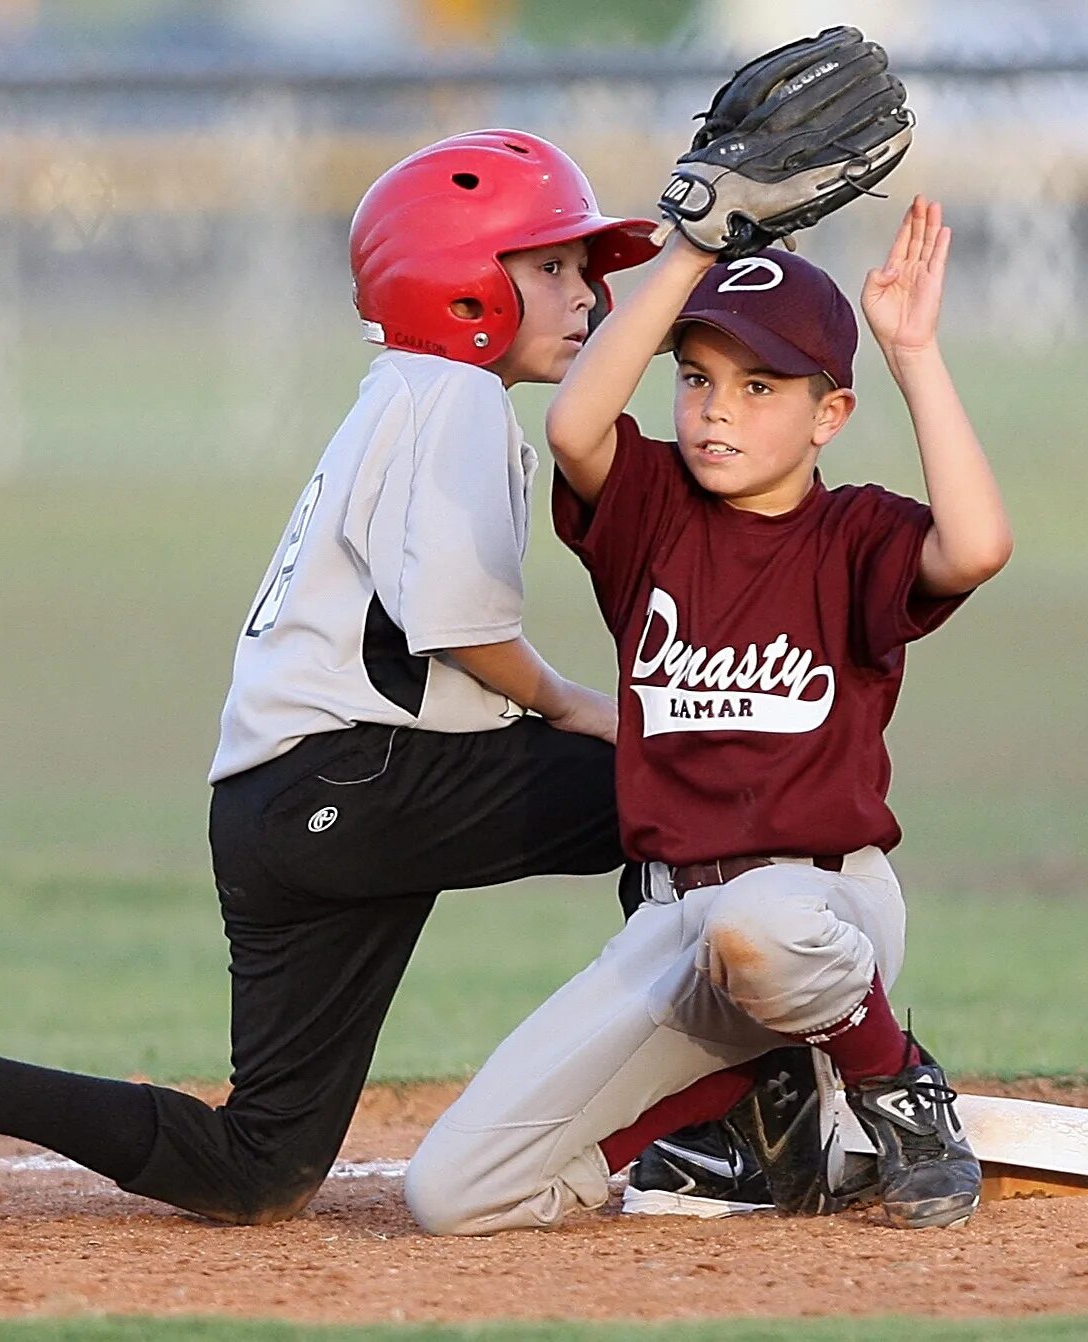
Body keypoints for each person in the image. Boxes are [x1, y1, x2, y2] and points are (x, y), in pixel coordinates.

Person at [0, 130, 657, 1242]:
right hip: (360, 778)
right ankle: (733, 1112)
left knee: (261, 1166)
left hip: (277, 806)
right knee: (678, 786)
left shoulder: (402, 394)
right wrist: (582, 705)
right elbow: (462, 629)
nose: (586, 291)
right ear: (460, 287)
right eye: (552, 265)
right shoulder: (451, 399)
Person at [403, 196, 1014, 1235]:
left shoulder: (853, 534)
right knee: (450, 1195)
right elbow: (573, 423)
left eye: (759, 386)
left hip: (820, 917)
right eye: (696, 378)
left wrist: (911, 353)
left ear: (829, 416)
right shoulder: (652, 515)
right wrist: (689, 250)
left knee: (756, 922)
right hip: (671, 932)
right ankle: (757, 1119)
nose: (716, 409)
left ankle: (898, 1095)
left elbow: (977, 544)